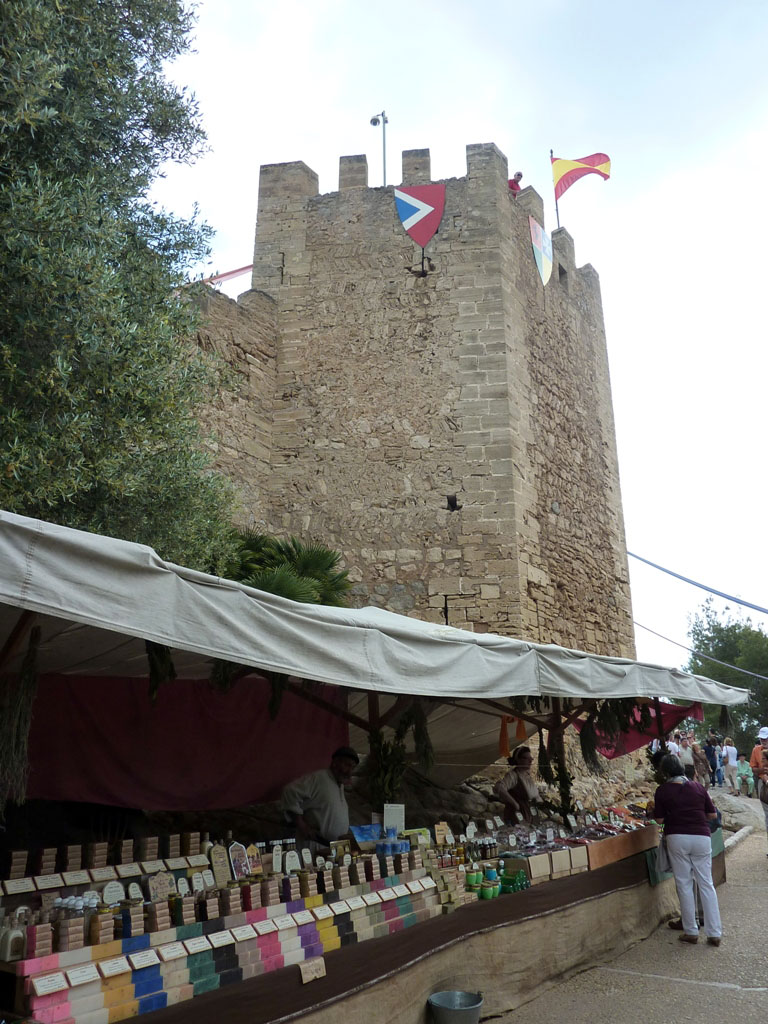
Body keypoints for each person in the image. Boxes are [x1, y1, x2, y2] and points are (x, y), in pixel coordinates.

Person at [653, 754, 722, 946]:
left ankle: (691, 931)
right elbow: (712, 814)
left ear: (665, 771)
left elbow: (658, 820)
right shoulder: (698, 787)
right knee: (706, 883)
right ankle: (714, 932)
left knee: (684, 883)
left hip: (677, 837)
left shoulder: (662, 790)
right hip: (701, 836)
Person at [281, 746, 359, 847]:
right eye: (347, 765)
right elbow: (289, 791)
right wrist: (301, 825)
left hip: (332, 847)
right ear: (335, 763)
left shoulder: (339, 785)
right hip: (315, 845)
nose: (349, 772)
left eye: (352, 768)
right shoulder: (318, 779)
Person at [494, 746, 540, 823]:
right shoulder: (513, 776)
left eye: (531, 758)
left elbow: (535, 796)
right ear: (518, 760)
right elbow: (499, 787)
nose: (530, 761)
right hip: (518, 817)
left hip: (530, 814)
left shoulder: (527, 776)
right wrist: (514, 803)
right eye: (526, 758)